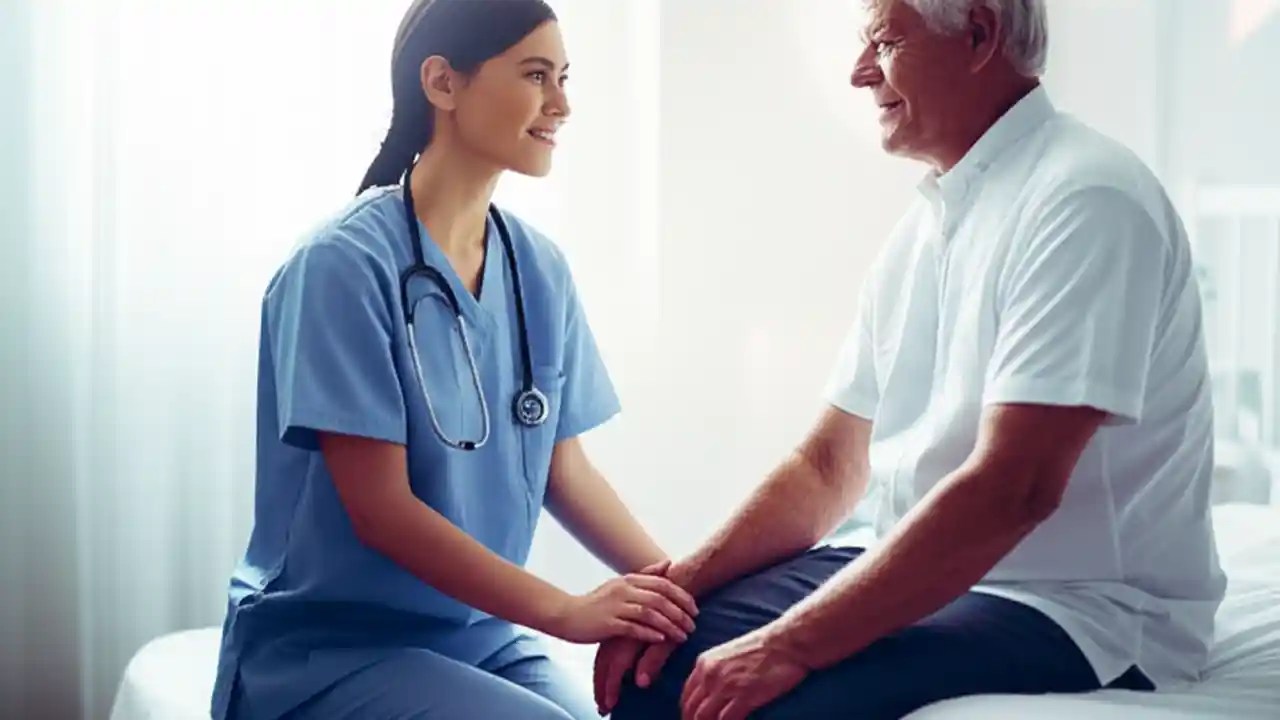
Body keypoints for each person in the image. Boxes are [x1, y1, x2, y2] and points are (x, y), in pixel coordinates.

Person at [597, 0, 1227, 718]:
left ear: (981, 35)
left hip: (1072, 605)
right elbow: (828, 466)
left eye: (886, 42)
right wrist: (677, 588)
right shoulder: (930, 222)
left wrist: (788, 646)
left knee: (758, 706)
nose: (859, 72)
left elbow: (1013, 487)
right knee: (658, 666)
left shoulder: (1087, 199)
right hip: (924, 566)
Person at [208, 2, 699, 718]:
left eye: (563, 78)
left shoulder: (538, 268)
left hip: (477, 636)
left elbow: (565, 471)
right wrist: (564, 611)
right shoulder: (341, 267)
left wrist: (683, 591)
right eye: (536, 75)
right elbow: (382, 513)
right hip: (329, 650)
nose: (561, 103)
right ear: (442, 82)